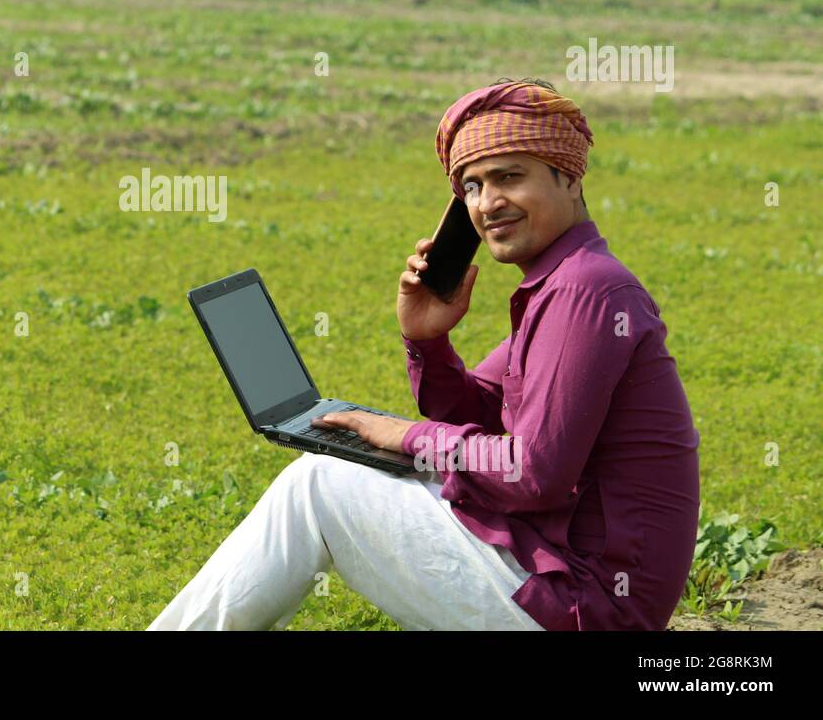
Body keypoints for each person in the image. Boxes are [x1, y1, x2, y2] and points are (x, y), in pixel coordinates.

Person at [147, 77, 700, 631]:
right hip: (561, 574)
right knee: (351, 470)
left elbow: (533, 473)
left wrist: (406, 438)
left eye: (510, 177)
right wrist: (427, 340)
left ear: (570, 176)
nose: (489, 204)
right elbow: (470, 412)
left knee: (317, 485)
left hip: (586, 605)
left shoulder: (588, 290)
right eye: (472, 187)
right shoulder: (560, 284)